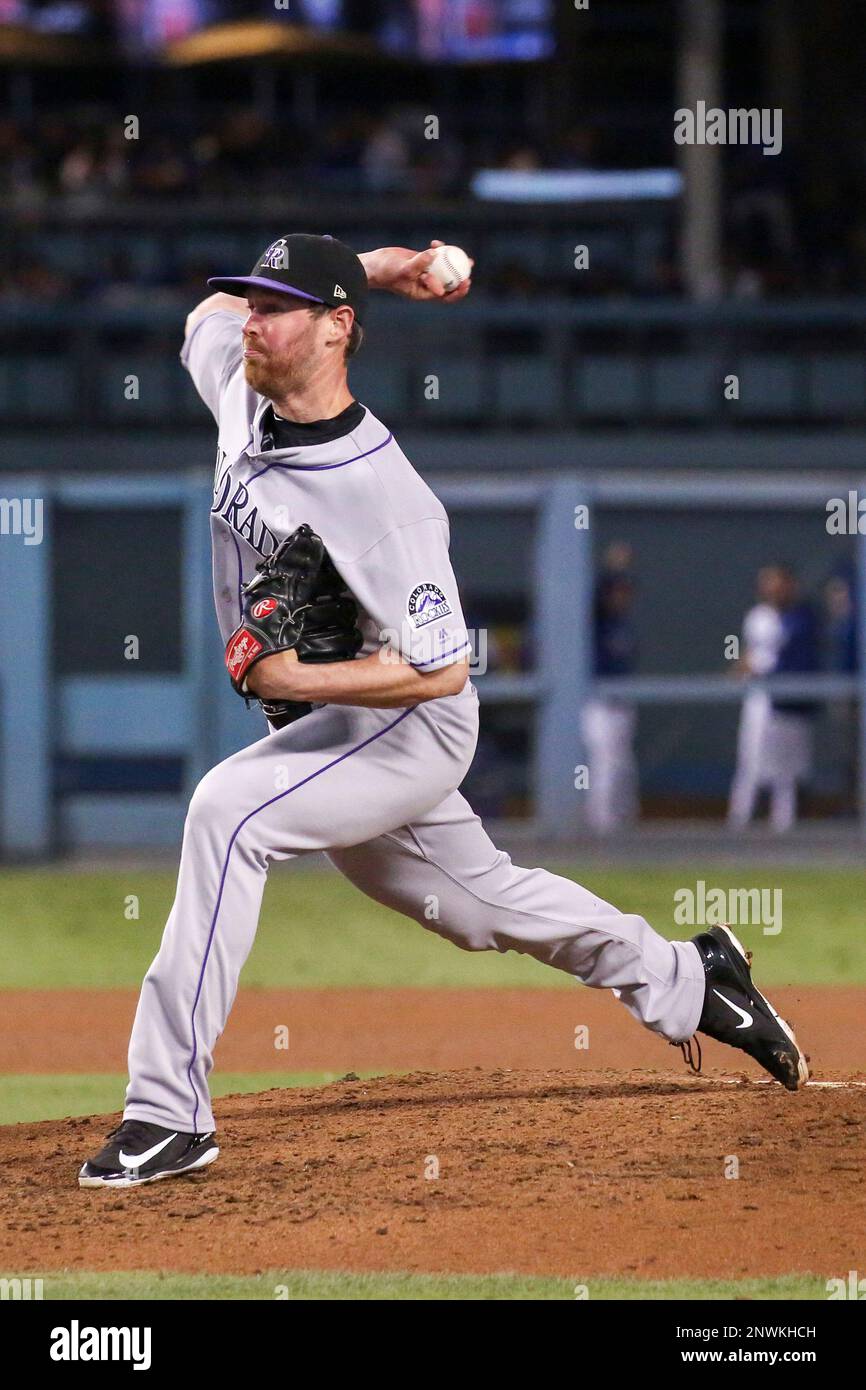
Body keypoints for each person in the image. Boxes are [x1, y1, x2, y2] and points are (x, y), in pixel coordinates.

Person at [79, 235, 808, 1187]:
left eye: (277, 306)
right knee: (477, 905)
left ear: (336, 332)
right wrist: (376, 266)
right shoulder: (242, 387)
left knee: (227, 815)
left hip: (407, 727)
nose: (251, 321)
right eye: (253, 303)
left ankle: (168, 1113)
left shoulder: (388, 500)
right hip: (329, 728)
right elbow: (200, 320)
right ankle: (687, 975)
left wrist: (295, 678)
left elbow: (445, 670)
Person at [728, 564, 819, 833]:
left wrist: (756, 666)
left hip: (790, 702)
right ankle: (738, 822)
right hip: (760, 701)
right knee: (750, 763)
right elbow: (746, 656)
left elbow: (790, 658)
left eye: (779, 582)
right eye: (768, 582)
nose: (773, 588)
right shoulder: (757, 617)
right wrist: (741, 666)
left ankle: (784, 828)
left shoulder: (803, 617)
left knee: (788, 771)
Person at [581, 544, 639, 833]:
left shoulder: (622, 623)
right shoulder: (598, 622)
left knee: (622, 765)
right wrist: (614, 569)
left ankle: (621, 822)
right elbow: (592, 598)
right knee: (604, 764)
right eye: (617, 593)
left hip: (622, 702)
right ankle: (600, 824)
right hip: (598, 704)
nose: (622, 598)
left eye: (626, 593)